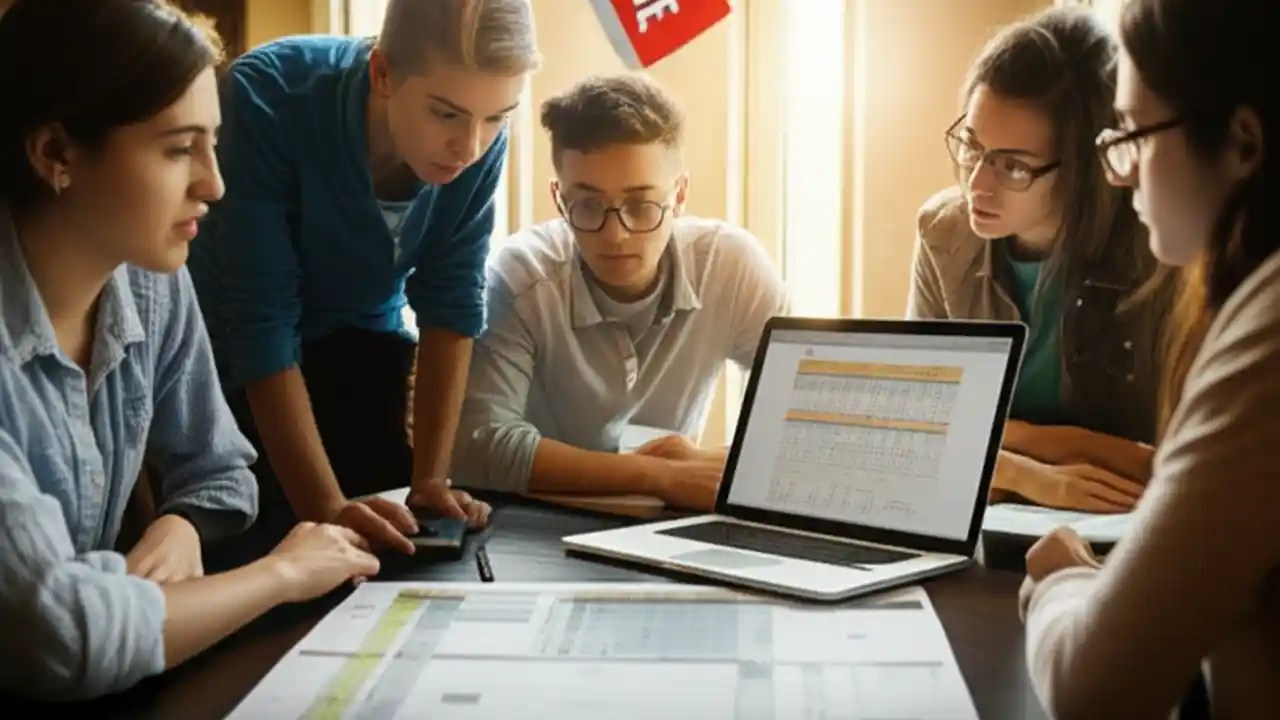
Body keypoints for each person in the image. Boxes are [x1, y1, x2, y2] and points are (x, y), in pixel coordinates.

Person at [0, 0, 379, 700]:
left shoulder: (149, 282)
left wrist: (184, 524)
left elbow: (222, 469)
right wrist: (283, 574)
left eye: (213, 143)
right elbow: (62, 636)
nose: (214, 183)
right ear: (55, 154)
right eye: (179, 149)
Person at [189, 0, 542, 558]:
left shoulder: (478, 141)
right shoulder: (265, 96)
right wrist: (326, 512)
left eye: (498, 117)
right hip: (229, 366)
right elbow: (262, 322)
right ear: (383, 74)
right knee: (269, 546)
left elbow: (451, 296)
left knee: (393, 537)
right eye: (446, 114)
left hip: (362, 345)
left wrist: (430, 480)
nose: (472, 147)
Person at [1019, 0, 1278, 716]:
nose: (1119, 173)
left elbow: (1094, 691)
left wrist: (1064, 580)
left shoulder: (1270, 332)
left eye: (1134, 131)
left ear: (1243, 145)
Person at [451, 74, 789, 510]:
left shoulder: (730, 265)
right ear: (559, 199)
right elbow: (478, 446)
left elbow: (803, 412)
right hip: (534, 518)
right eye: (588, 205)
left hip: (665, 522)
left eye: (641, 205)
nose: (616, 234)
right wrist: (661, 476)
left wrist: (705, 466)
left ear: (680, 195)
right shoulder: (522, 274)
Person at [907, 7, 1175, 513]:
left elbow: (1172, 462)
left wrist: (1004, 439)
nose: (977, 184)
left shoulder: (1157, 251)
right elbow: (921, 429)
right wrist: (1026, 473)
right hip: (992, 511)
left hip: (1126, 520)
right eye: (972, 146)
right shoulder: (945, 235)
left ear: (1083, 170)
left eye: (1014, 166)